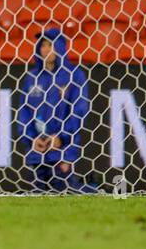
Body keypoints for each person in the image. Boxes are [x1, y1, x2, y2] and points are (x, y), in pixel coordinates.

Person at [17, 28, 96, 193]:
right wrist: (31, 139)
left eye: (50, 45)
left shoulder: (74, 75)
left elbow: (79, 110)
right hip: (37, 149)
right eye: (42, 45)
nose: (46, 49)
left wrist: (61, 136)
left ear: (60, 47)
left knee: (65, 191)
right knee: (38, 193)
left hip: (63, 149)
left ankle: (91, 188)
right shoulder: (32, 77)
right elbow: (24, 111)